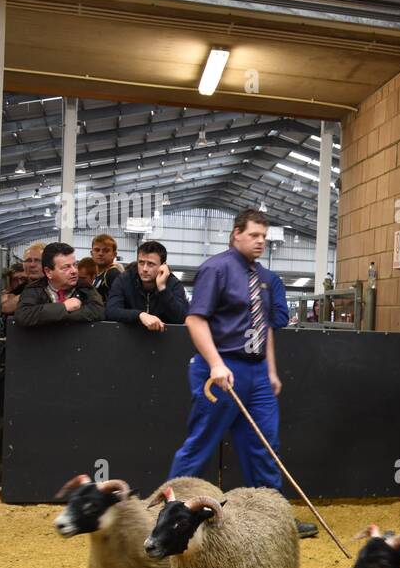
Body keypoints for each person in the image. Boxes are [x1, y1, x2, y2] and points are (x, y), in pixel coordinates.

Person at [168, 209, 285, 487]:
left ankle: (271, 517)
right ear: (236, 234)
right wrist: (216, 364)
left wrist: (271, 370)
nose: (260, 241)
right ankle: (169, 514)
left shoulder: (263, 277)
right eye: (254, 235)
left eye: (264, 237)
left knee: (265, 445)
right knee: (201, 444)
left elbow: (264, 325)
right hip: (222, 367)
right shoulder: (216, 268)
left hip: (258, 372)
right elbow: (195, 319)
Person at [13, 242, 104, 327]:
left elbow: (98, 312)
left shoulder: (85, 288)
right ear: (48, 272)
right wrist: (64, 307)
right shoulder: (35, 289)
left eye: (75, 265)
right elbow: (23, 315)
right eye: (66, 267)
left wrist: (54, 315)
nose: (74, 271)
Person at [106, 240, 189, 331]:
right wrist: (140, 315)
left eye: (151, 264)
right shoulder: (124, 280)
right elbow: (111, 311)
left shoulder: (173, 284)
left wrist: (162, 288)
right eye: (141, 262)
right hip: (129, 340)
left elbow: (180, 318)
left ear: (163, 266)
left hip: (163, 341)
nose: (144, 269)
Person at [0, 243, 44, 314]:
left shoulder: (51, 286)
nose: (32, 265)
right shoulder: (24, 286)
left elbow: (6, 306)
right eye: (28, 260)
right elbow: (4, 305)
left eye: (38, 260)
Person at [90, 234, 124, 301]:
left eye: (106, 250)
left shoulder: (113, 274)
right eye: (97, 250)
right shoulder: (96, 275)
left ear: (114, 255)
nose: (100, 253)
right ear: (91, 253)